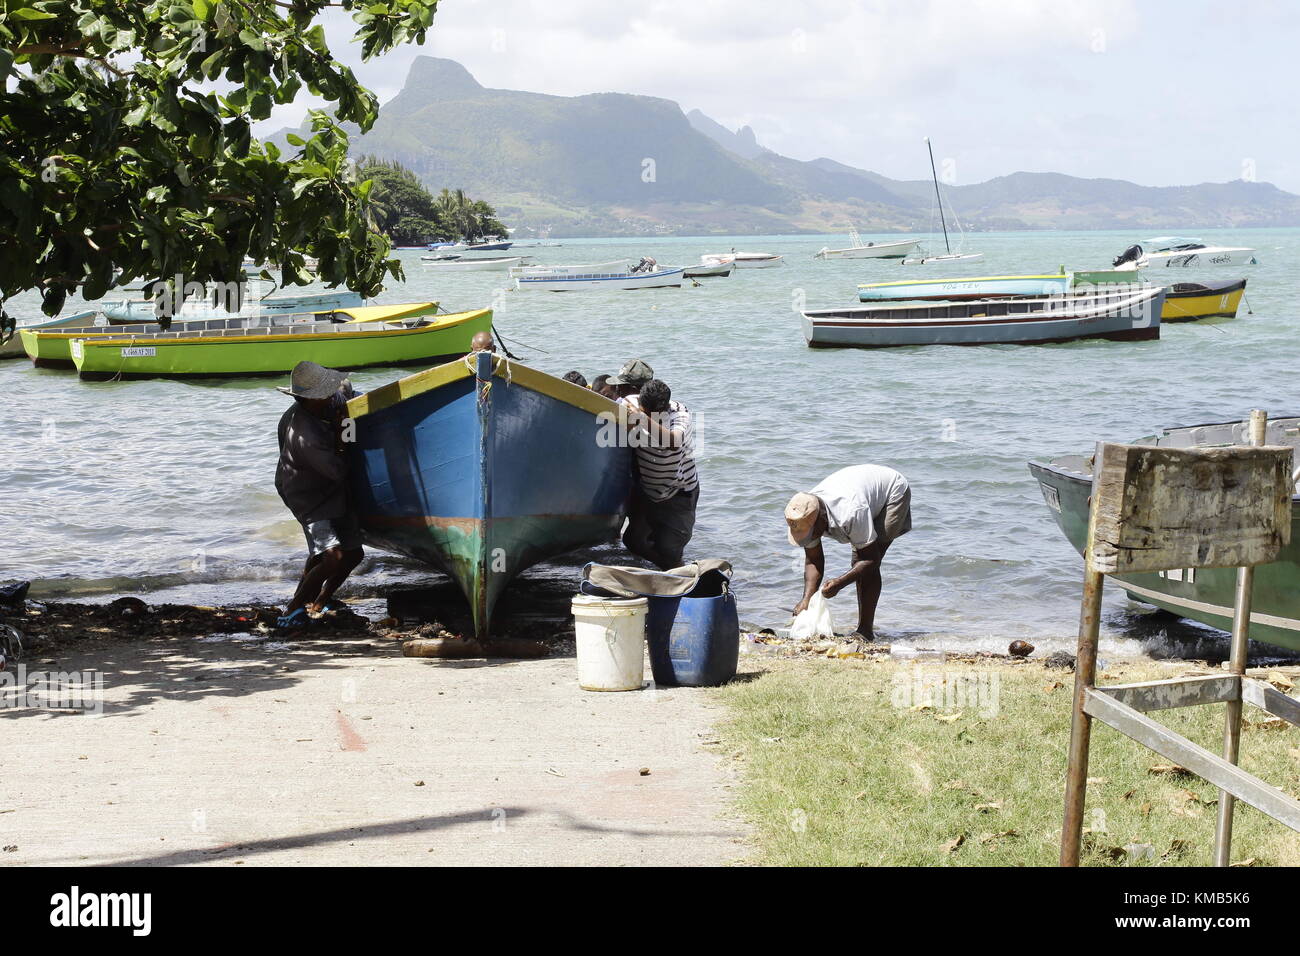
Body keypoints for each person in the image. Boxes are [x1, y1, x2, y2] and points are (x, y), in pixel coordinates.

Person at [274, 361, 364, 633]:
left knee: (354, 553)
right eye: (326, 391)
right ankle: (292, 609)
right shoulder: (304, 434)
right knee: (331, 556)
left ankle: (320, 601)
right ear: (311, 399)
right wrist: (341, 437)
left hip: (334, 489)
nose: (332, 394)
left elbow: (349, 401)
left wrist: (349, 418)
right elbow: (337, 470)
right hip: (307, 495)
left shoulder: (333, 401)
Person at [786, 464, 912, 641]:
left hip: (892, 492)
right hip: (860, 490)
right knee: (859, 562)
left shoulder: (851, 511)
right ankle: (863, 628)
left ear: (821, 520)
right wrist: (806, 600)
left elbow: (871, 559)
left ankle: (865, 631)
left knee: (865, 564)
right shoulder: (805, 511)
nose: (809, 538)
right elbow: (813, 560)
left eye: (811, 534)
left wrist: (839, 583)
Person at [620, 378, 699, 570]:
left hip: (678, 492)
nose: (651, 417)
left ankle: (678, 573)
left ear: (665, 408)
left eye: (655, 415)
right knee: (633, 541)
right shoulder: (630, 403)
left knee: (669, 551)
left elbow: (673, 441)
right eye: (646, 412)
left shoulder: (679, 415)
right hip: (648, 491)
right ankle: (666, 571)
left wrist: (642, 418)